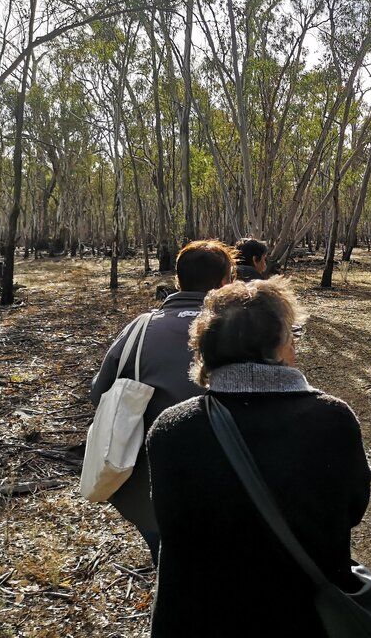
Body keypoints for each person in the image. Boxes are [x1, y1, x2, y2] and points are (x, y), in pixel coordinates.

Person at [146, 277, 371, 637]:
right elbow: (354, 508)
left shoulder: (172, 428)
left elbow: (169, 524)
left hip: (199, 618)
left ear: (205, 347)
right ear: (281, 345)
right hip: (304, 616)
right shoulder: (332, 419)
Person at [90, 239, 236, 565]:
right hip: (227, 484)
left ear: (179, 279)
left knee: (168, 562)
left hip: (149, 490)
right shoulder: (240, 330)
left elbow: (99, 394)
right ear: (224, 282)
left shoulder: (139, 328)